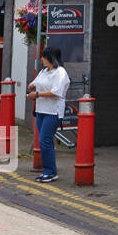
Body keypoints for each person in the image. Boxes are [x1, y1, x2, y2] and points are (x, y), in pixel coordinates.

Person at [25, 46, 70, 184]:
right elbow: (37, 82)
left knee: (45, 141)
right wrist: (32, 86)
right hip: (41, 110)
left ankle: (50, 172)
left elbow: (56, 92)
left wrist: (37, 94)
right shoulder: (44, 71)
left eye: (44, 56)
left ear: (51, 57)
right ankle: (48, 171)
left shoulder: (60, 73)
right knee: (44, 141)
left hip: (53, 111)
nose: (41, 59)